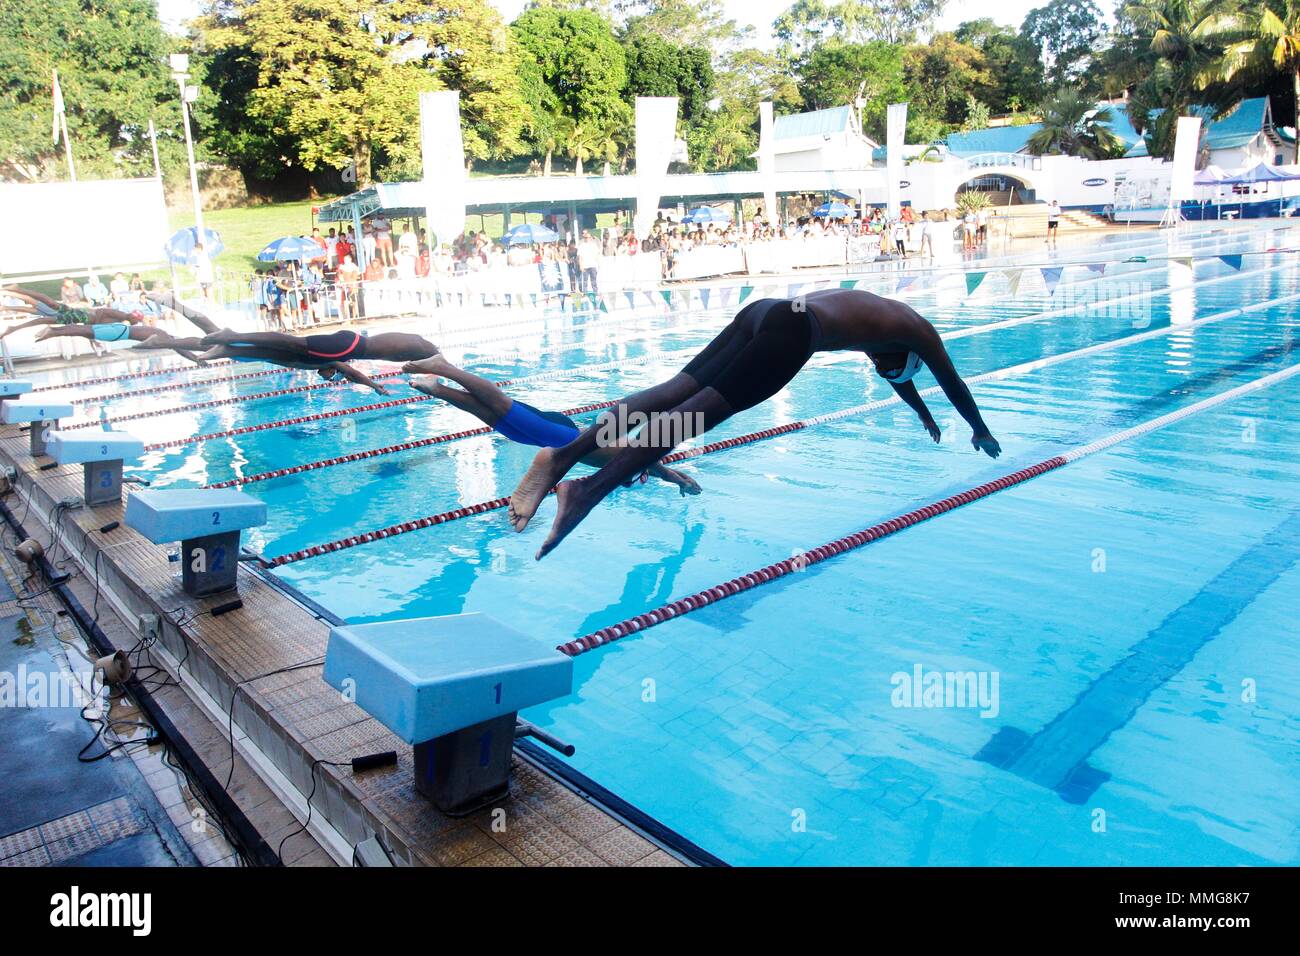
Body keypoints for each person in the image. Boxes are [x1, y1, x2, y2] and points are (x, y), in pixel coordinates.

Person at [507, 288, 1002, 559]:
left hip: (765, 310)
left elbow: (901, 380)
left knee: (668, 395)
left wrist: (922, 414)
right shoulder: (921, 332)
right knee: (687, 418)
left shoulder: (892, 326)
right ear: (909, 354)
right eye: (886, 366)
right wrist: (976, 427)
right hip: (791, 332)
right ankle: (587, 492)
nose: (880, 369)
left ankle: (562, 457)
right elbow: (954, 382)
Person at [402, 353, 701, 496]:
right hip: (561, 436)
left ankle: (438, 388)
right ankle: (444, 367)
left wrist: (678, 479)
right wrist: (676, 479)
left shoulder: (645, 458)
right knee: (500, 406)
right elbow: (655, 465)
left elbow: (661, 468)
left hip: (555, 437)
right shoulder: (642, 455)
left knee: (495, 417)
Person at [193, 325, 438, 365]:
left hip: (349, 347)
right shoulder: (426, 351)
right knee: (292, 344)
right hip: (350, 347)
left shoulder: (419, 342)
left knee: (281, 352)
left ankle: (230, 348)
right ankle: (231, 336)